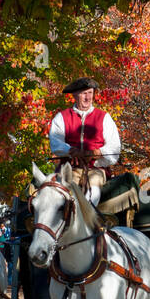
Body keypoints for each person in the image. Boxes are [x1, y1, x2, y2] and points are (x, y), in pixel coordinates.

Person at [47, 77, 121, 206]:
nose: (88, 98)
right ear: (75, 95)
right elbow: (55, 143)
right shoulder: (62, 117)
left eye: (90, 93)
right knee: (62, 195)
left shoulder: (104, 117)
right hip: (68, 169)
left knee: (93, 193)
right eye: (84, 94)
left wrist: (98, 152)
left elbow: (114, 147)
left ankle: (88, 222)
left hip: (96, 169)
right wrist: (70, 150)